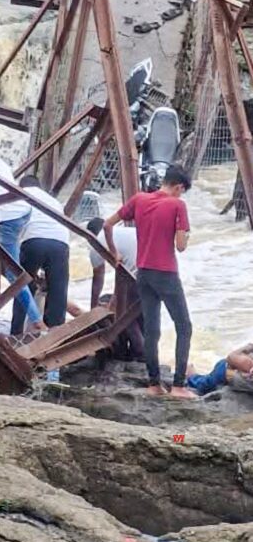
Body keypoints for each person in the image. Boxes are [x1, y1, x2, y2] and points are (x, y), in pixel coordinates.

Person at [104, 164, 196, 398]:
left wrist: (114, 252)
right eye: (181, 190)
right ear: (178, 187)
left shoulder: (139, 199)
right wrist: (184, 231)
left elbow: (107, 224)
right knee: (184, 326)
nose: (180, 194)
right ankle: (178, 386)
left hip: (143, 273)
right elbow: (181, 246)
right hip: (166, 273)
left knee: (152, 329)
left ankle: (154, 384)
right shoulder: (177, 205)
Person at [0, 136, 44, 333]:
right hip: (21, 212)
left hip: (4, 217)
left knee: (13, 273)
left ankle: (36, 319)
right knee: (9, 264)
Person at [13, 176, 70, 362]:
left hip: (34, 240)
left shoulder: (20, 194)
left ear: (22, 186)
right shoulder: (53, 201)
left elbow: (15, 224)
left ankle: (16, 335)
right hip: (60, 243)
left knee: (22, 287)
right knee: (57, 293)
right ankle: (54, 345)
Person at [86, 215, 143, 361]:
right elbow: (121, 272)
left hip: (138, 272)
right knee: (142, 313)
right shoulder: (122, 232)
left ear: (90, 235)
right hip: (158, 265)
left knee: (125, 316)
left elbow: (98, 278)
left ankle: (139, 352)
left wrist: (93, 308)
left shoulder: (97, 242)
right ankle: (145, 355)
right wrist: (113, 300)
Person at [186, 342, 253, 396]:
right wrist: (249, 346)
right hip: (223, 370)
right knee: (201, 385)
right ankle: (190, 373)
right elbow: (231, 357)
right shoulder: (247, 363)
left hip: (236, 371)